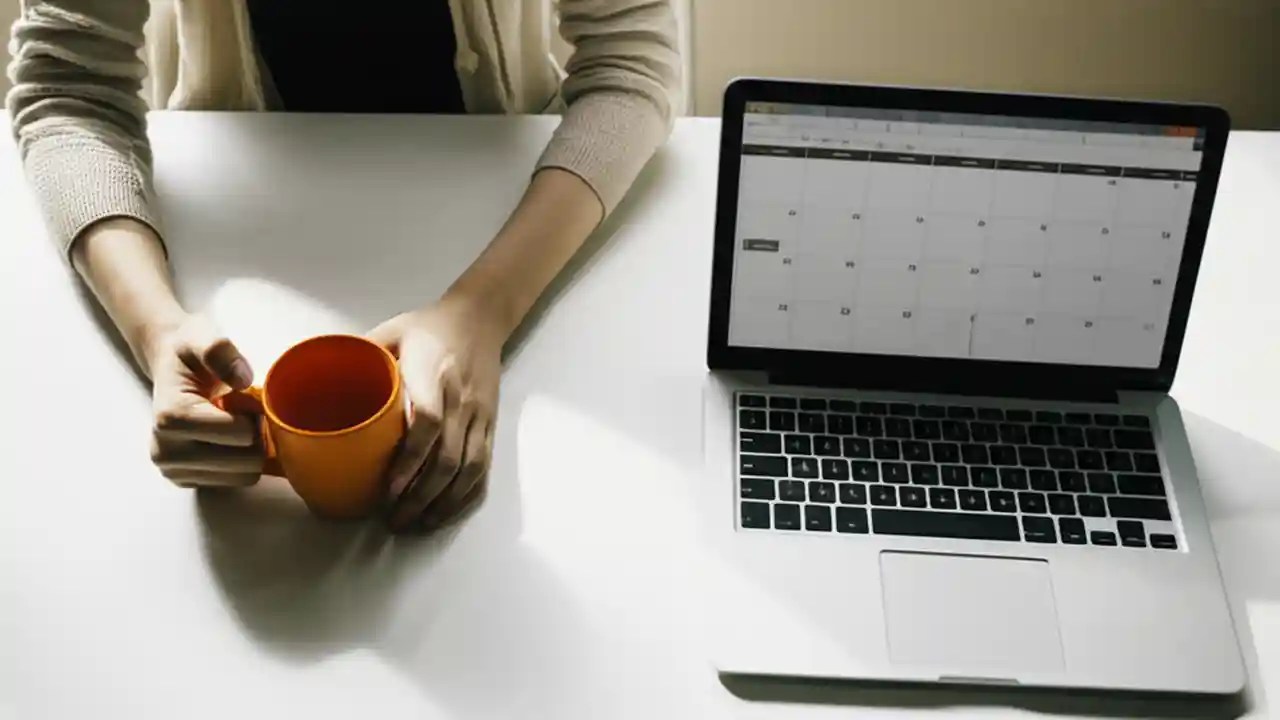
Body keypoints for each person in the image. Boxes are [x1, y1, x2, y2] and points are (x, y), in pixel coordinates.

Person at [7, 0, 680, 531]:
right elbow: (69, 89)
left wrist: (485, 306)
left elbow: (630, 62)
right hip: (230, 268)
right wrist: (154, 327)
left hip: (512, 217)